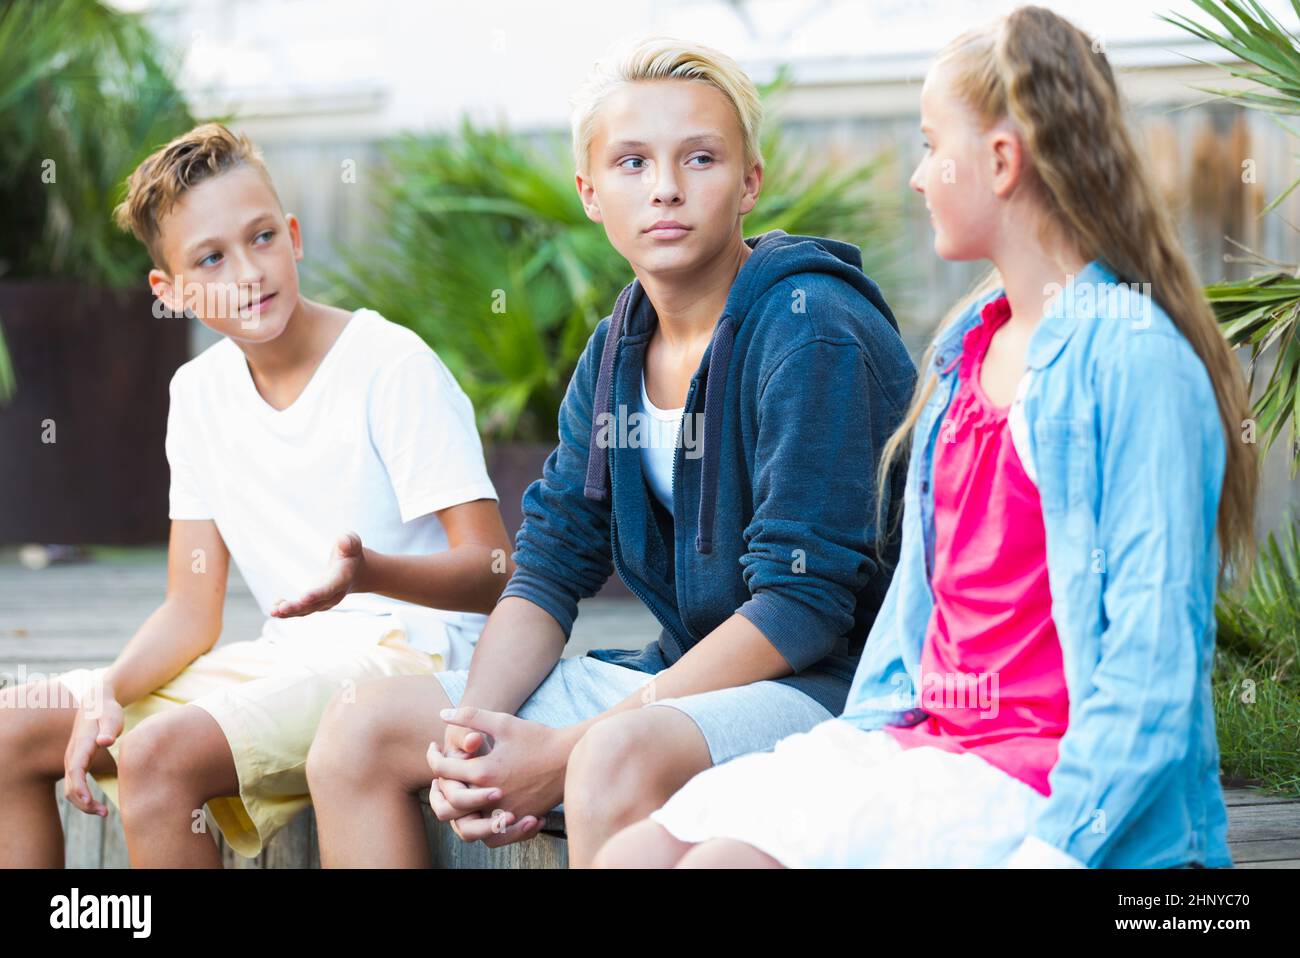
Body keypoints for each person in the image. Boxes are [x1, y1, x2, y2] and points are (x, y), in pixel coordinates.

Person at [597, 5, 1258, 869]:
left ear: (1000, 161)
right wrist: (855, 759)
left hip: (1048, 785)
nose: (916, 177)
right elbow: (916, 626)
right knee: (638, 854)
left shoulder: (1134, 362)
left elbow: (1152, 672)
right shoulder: (962, 351)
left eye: (928, 143)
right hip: (928, 752)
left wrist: (1056, 855)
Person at [304, 36, 915, 867]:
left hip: (832, 692)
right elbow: (551, 566)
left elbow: (803, 610)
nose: (665, 187)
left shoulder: (810, 329)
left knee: (608, 760)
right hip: (681, 680)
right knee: (358, 732)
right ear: (591, 192)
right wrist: (469, 742)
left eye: (699, 158)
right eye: (632, 163)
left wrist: (563, 751)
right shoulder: (618, 347)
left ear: (750, 181)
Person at [0, 123, 511, 866]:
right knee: (16, 724)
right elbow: (189, 609)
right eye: (211, 258)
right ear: (168, 292)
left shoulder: (389, 365)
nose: (248, 270)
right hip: (290, 660)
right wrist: (107, 689)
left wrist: (368, 575)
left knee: (157, 756)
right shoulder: (197, 393)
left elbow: (495, 572)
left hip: (411, 659)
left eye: (262, 237)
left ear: (294, 236)